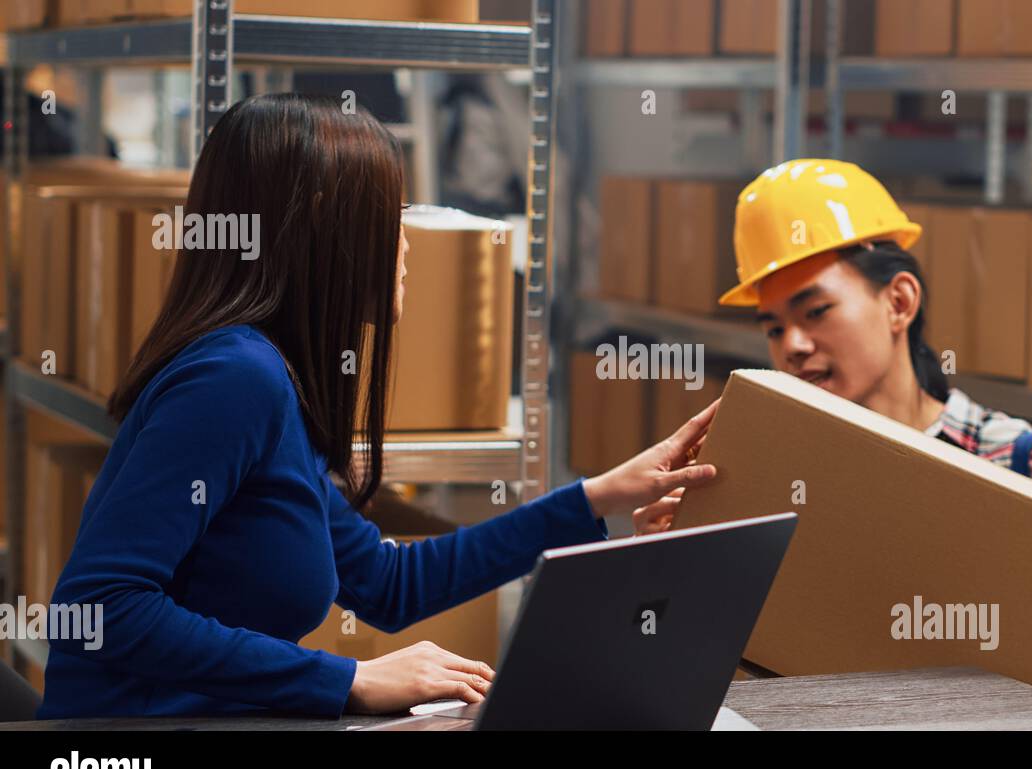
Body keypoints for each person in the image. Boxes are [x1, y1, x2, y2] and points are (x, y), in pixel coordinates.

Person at [38, 94, 718, 720]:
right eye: (390, 214)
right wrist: (347, 678)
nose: (407, 240)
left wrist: (601, 498)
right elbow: (101, 604)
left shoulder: (271, 381)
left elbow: (390, 584)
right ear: (322, 222)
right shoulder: (235, 379)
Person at [634, 159, 1032, 717]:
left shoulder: (1027, 461)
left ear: (899, 302)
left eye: (815, 312)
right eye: (775, 328)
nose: (793, 345)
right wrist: (662, 566)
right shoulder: (760, 480)